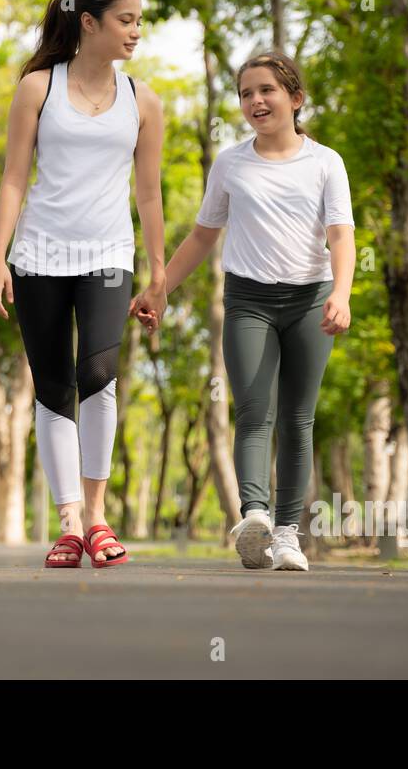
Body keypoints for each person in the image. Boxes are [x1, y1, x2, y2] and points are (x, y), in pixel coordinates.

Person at [133, 49, 355, 571]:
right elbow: (204, 235)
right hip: (249, 300)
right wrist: (160, 288)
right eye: (246, 93)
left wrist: (341, 294)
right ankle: (254, 517)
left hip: (310, 300)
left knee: (299, 420)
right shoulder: (231, 162)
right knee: (255, 413)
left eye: (267, 91)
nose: (255, 101)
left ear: (295, 99)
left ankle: (286, 535)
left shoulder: (325, 162)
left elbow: (341, 236)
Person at [0, 0, 168, 568]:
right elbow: (14, 177)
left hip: (108, 256)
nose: (136, 31)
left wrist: (159, 270)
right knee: (55, 386)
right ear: (89, 23)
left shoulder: (144, 102)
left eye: (140, 20)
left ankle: (96, 517)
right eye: (126, 20)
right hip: (39, 255)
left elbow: (149, 195)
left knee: (99, 374)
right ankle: (67, 523)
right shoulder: (37, 88)